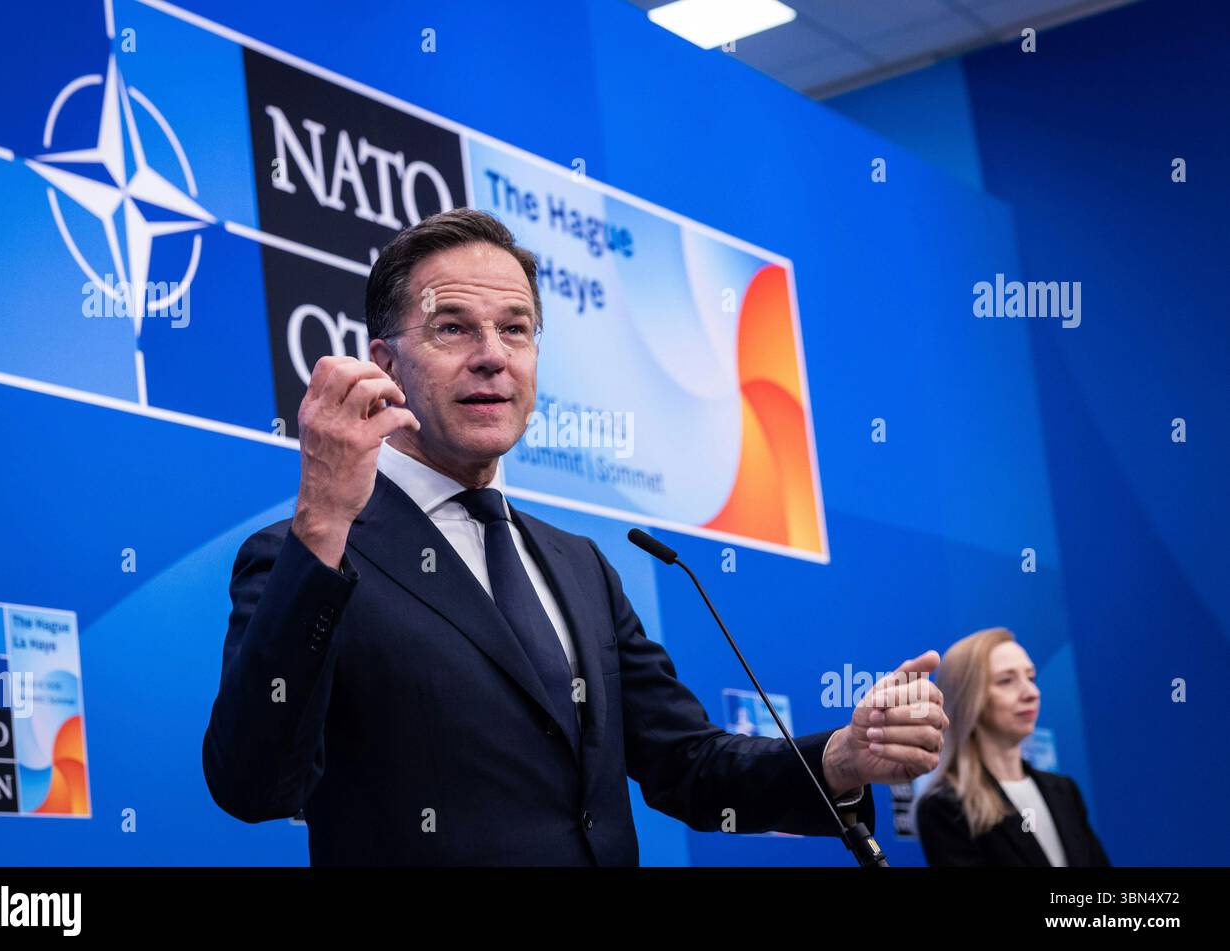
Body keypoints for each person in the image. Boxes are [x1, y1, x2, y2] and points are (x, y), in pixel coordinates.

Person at [202, 207, 948, 865]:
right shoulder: (306, 554)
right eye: (453, 327)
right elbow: (254, 784)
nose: (492, 353)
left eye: (516, 330)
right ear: (386, 365)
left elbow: (686, 765)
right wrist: (324, 519)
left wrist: (846, 757)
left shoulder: (580, 566)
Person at [914, 627, 1110, 866]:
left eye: (1030, 677)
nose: (1031, 693)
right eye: (1006, 681)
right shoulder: (945, 807)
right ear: (969, 698)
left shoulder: (1064, 791)